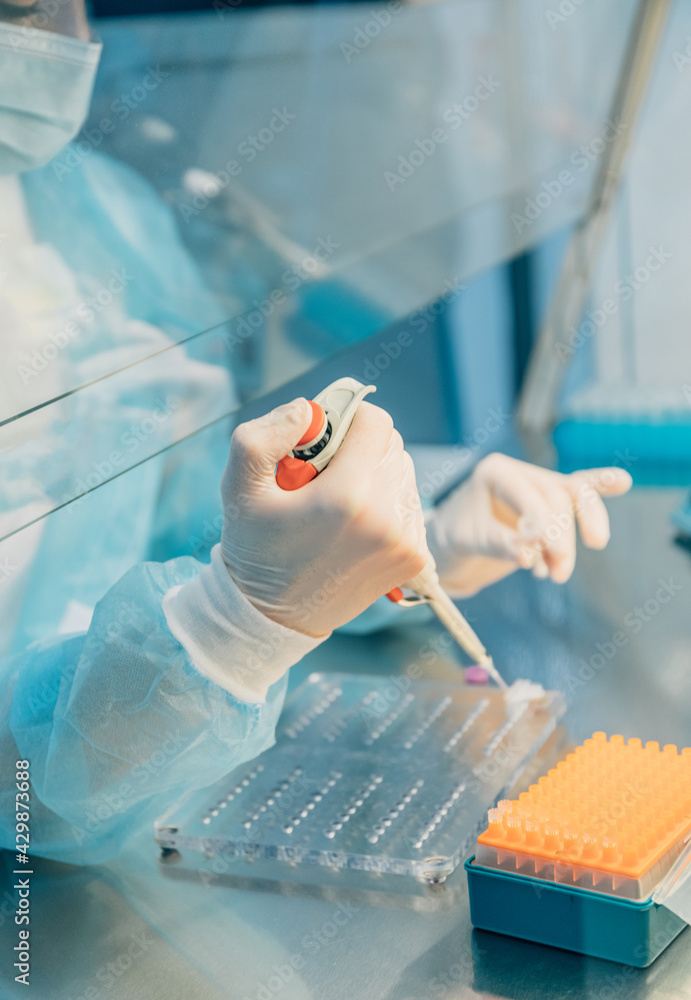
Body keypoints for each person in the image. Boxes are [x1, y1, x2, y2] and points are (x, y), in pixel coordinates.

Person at [0, 0, 631, 864]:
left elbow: (170, 494)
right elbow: (25, 787)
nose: (69, 36)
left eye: (70, 2)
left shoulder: (97, 210)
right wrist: (229, 628)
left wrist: (415, 542)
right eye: (23, 8)